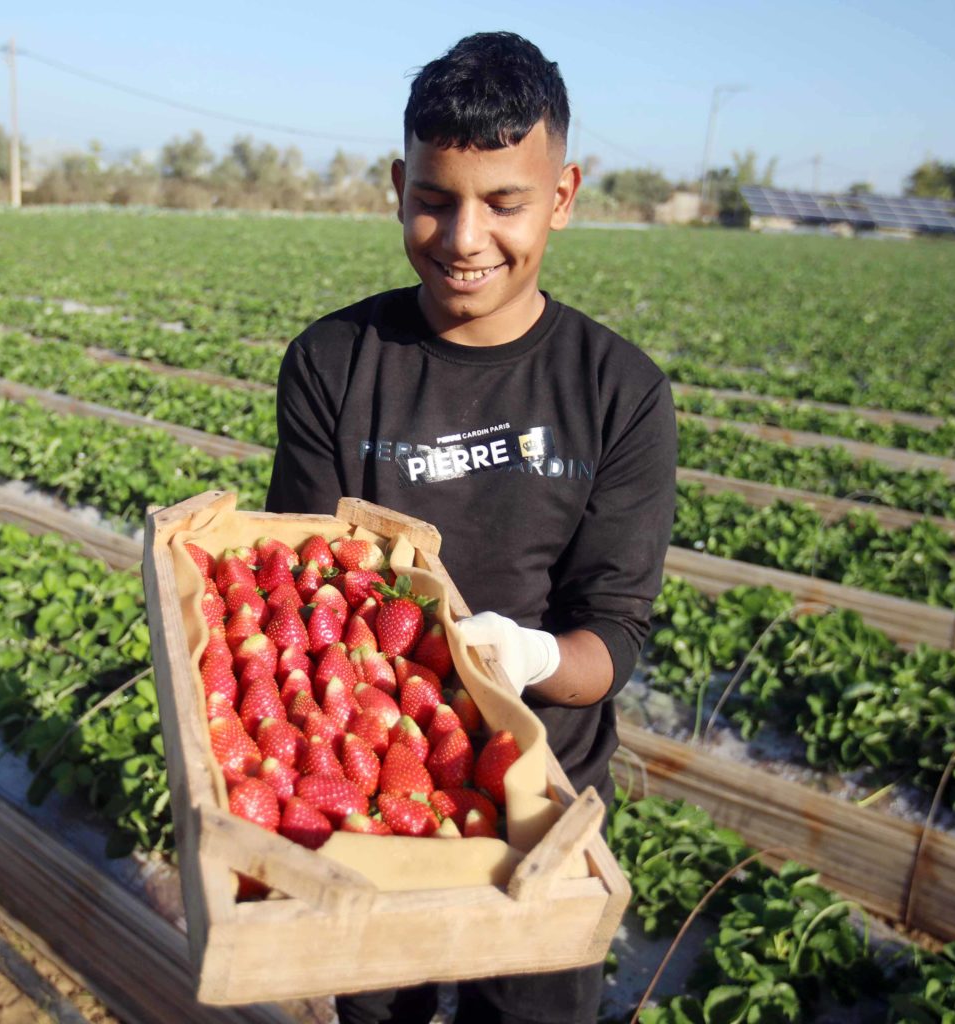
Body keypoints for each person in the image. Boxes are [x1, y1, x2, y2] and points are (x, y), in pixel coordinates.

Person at [264, 30, 677, 1024]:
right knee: (377, 1012)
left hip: (541, 800)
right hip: (370, 785)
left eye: (504, 202)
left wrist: (531, 656)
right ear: (397, 186)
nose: (463, 236)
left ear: (562, 196)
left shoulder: (618, 392)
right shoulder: (333, 362)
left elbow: (614, 632)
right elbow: (304, 584)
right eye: (435, 199)